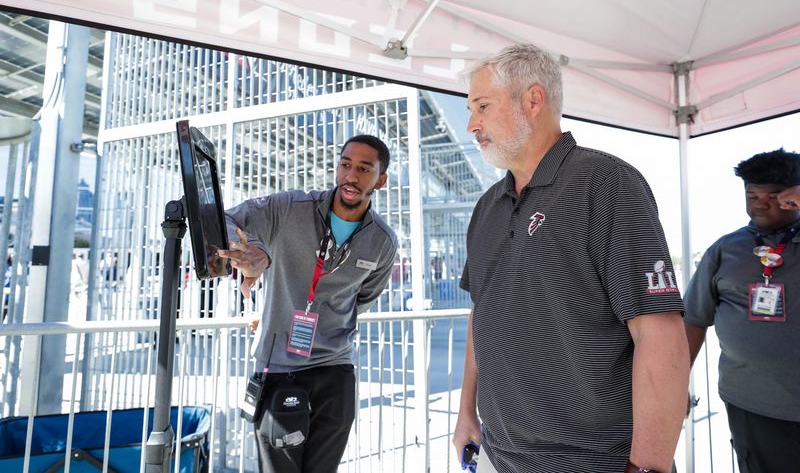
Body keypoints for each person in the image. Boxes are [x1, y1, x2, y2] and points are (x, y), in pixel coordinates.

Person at [452, 44, 689, 473]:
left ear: (533, 100)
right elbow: (480, 316)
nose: (472, 123)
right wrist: (466, 411)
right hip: (497, 455)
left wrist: (649, 467)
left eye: (483, 106)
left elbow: (660, 333)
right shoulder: (487, 206)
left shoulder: (607, 184)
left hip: (592, 461)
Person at [219, 134, 398, 473]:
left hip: (335, 371)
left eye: (364, 169)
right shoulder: (290, 208)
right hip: (280, 369)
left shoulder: (382, 242)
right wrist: (251, 252)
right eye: (346, 164)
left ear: (381, 179)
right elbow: (226, 219)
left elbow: (364, 298)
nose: (351, 176)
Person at [683, 148, 800, 472]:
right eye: (752, 194)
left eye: (774, 195)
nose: (760, 203)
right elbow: (693, 321)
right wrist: (677, 385)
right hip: (752, 404)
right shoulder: (725, 249)